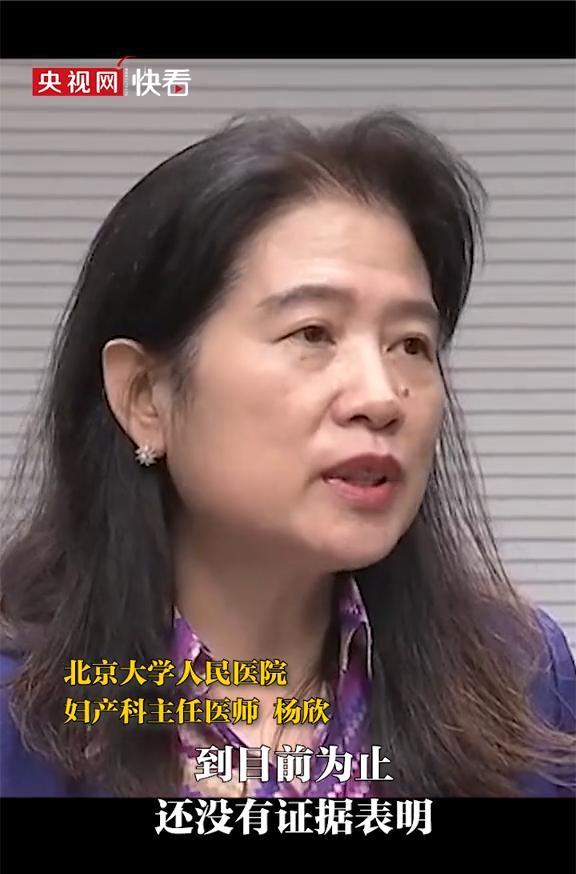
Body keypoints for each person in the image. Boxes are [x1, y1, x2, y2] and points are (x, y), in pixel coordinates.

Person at [1, 110, 574, 799]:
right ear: (145, 397)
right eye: (313, 333)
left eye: (411, 344)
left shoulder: (523, 677)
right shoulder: (22, 702)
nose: (382, 396)